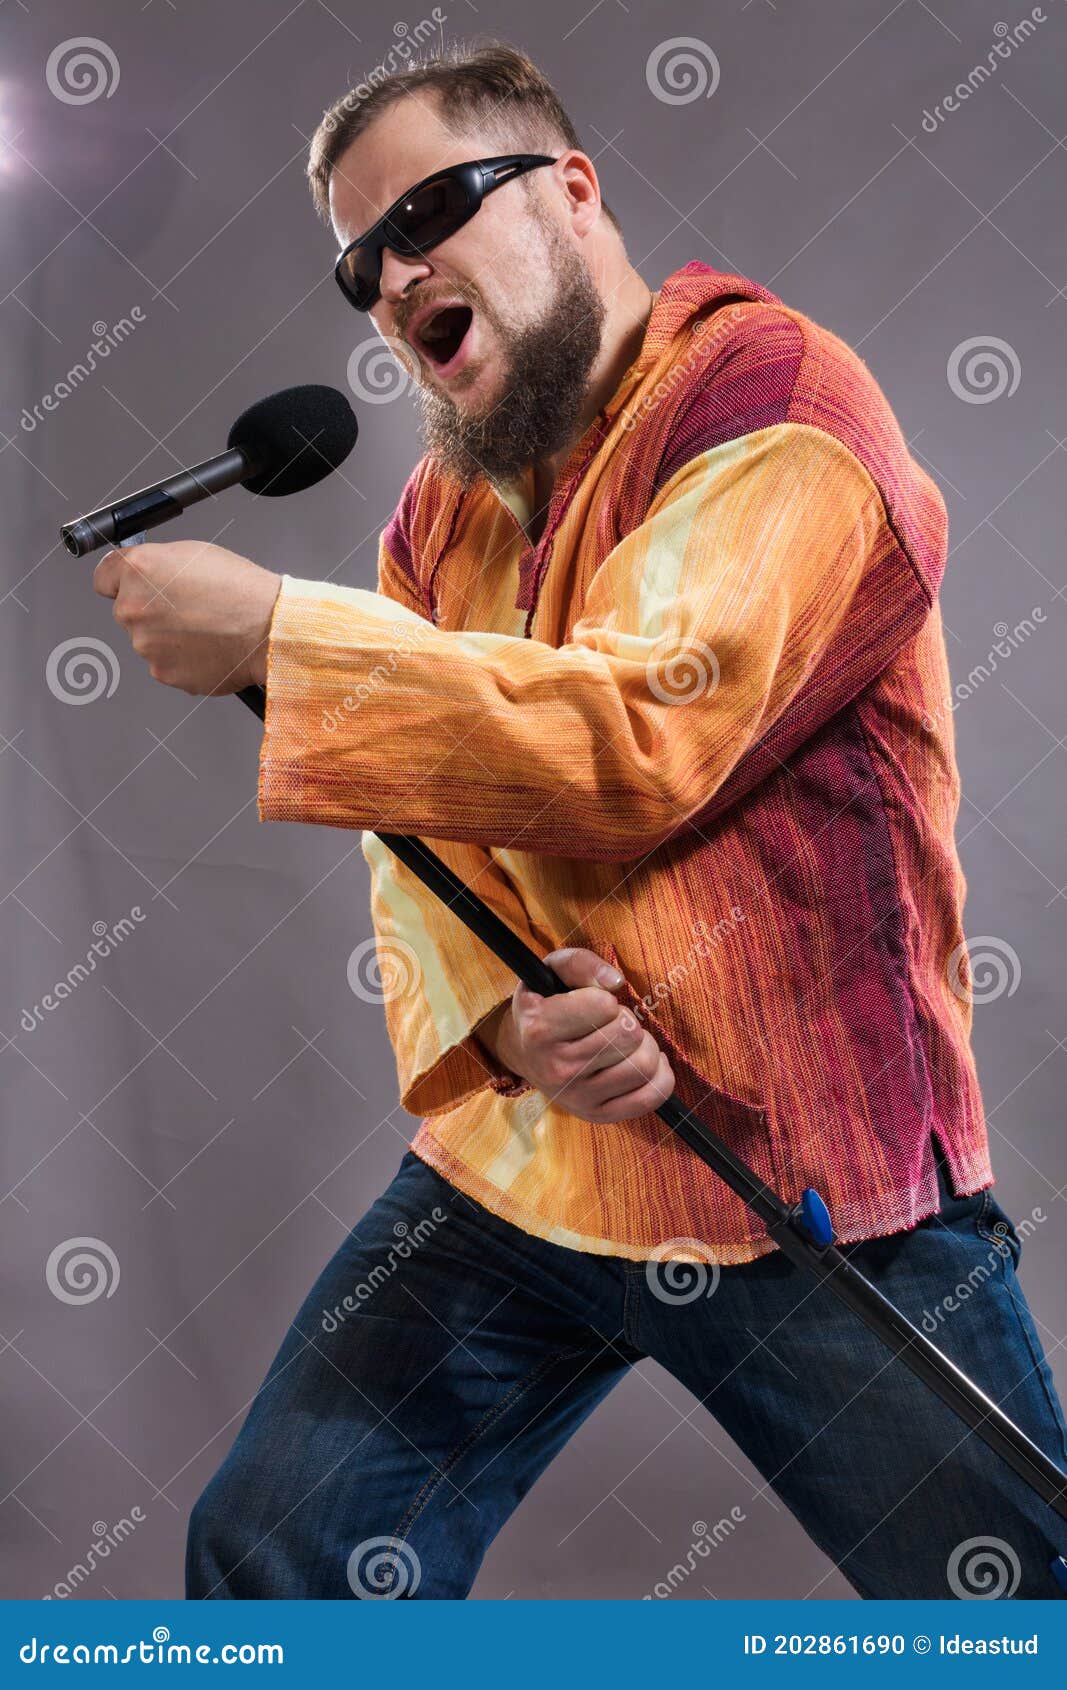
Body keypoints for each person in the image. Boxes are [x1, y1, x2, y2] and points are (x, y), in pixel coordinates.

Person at [93, 43, 1067, 1600]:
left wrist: (285, 636)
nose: (395, 276)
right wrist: (507, 1025)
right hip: (523, 1173)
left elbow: (637, 741)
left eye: (428, 214)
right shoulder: (445, 511)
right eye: (361, 263)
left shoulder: (785, 418)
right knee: (278, 1550)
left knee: (1009, 1599)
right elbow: (413, 811)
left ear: (571, 190)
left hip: (796, 1185)